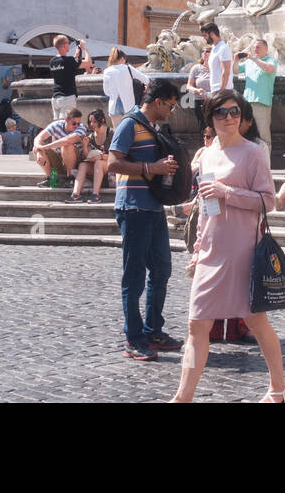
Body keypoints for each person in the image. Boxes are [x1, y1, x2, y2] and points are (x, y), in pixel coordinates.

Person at [172, 89, 285, 402]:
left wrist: (228, 192)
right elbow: (205, 210)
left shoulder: (253, 154)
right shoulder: (208, 153)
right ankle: (183, 397)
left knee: (256, 321)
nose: (229, 117)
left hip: (242, 250)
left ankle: (278, 389)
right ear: (210, 117)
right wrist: (197, 250)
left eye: (235, 111)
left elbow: (269, 201)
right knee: (196, 324)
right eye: (221, 112)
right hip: (211, 250)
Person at [108, 79, 184, 360]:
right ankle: (133, 337)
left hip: (153, 208)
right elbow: (112, 162)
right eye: (171, 105)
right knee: (134, 275)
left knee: (162, 269)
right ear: (158, 102)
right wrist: (151, 167)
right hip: (133, 208)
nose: (172, 111)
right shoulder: (130, 124)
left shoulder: (154, 128)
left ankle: (153, 330)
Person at [237, 38, 277, 152]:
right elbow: (235, 70)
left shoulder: (271, 60)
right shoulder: (248, 62)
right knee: (245, 133)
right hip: (247, 103)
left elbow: (270, 69)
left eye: (258, 47)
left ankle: (266, 165)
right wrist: (236, 59)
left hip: (262, 102)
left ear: (266, 48)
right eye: (254, 47)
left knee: (263, 135)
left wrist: (255, 60)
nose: (255, 49)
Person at [67, 110, 112, 204]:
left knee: (99, 163)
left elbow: (116, 157)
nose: (91, 124)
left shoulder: (112, 133)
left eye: (94, 121)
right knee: (83, 165)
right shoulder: (91, 136)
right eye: (90, 122)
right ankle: (75, 195)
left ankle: (96, 195)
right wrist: (84, 145)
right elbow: (87, 156)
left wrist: (101, 156)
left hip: (110, 167)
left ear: (103, 120)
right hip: (97, 168)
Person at [32, 109, 84, 185]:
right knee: (35, 148)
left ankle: (70, 178)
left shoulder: (81, 128)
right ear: (66, 120)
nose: (76, 126)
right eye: (74, 123)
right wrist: (39, 151)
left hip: (75, 162)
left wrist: (46, 146)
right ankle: (50, 178)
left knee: (67, 146)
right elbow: (38, 138)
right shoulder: (56, 125)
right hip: (59, 159)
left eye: (78, 123)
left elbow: (67, 141)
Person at [48, 35, 92, 118]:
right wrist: (85, 48)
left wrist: (76, 56)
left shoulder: (52, 61)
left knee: (57, 127)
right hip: (67, 97)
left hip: (55, 98)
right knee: (65, 126)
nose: (69, 45)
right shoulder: (69, 61)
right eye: (68, 43)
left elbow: (65, 67)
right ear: (64, 45)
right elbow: (89, 63)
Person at [103, 48, 148, 126]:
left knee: (117, 132)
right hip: (128, 104)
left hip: (114, 104)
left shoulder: (107, 71)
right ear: (122, 58)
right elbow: (146, 79)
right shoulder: (128, 68)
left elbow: (106, 91)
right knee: (129, 130)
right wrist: (147, 86)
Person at [201, 23, 233, 93]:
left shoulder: (223, 48)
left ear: (212, 34)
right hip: (215, 90)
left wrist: (221, 92)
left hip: (224, 91)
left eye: (205, 35)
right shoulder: (214, 48)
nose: (204, 38)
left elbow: (226, 72)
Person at [185, 47, 213, 114]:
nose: (204, 53)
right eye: (203, 51)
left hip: (213, 100)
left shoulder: (217, 68)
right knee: (202, 123)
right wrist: (197, 90)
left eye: (207, 51)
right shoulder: (196, 68)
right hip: (199, 100)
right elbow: (188, 86)